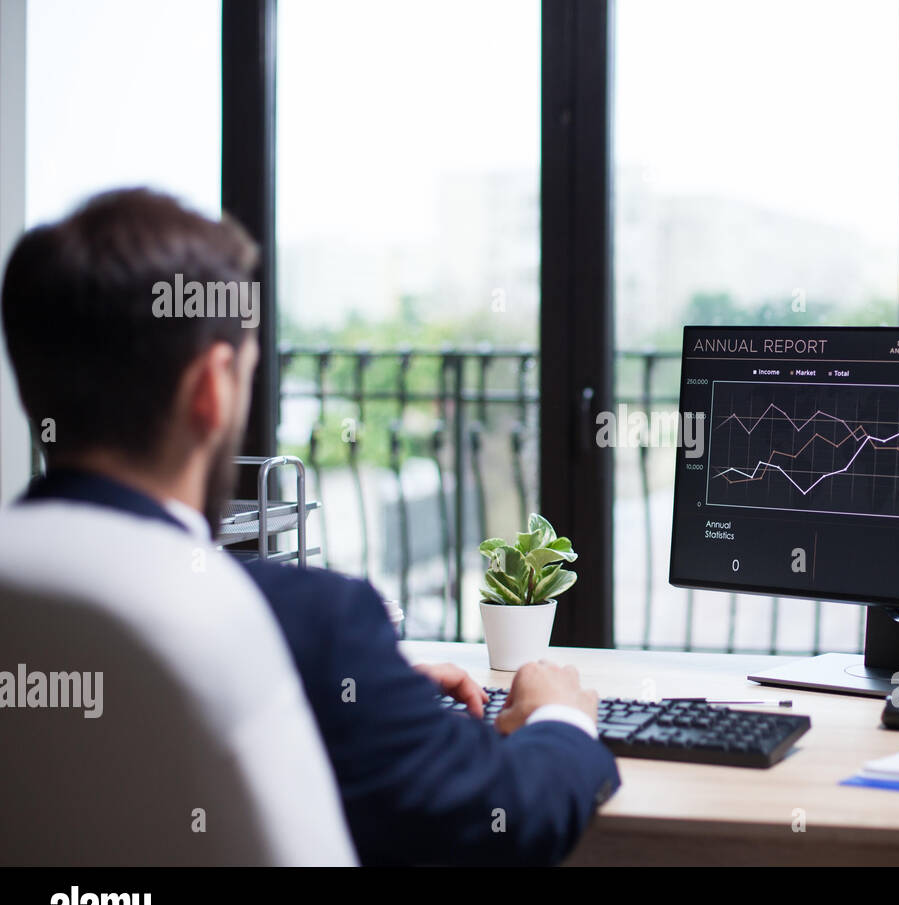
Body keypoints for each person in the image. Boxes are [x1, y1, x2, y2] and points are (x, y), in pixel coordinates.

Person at [0, 188, 618, 865]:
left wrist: (373, 683)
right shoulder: (311, 622)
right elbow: (501, 820)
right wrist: (558, 718)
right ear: (212, 388)